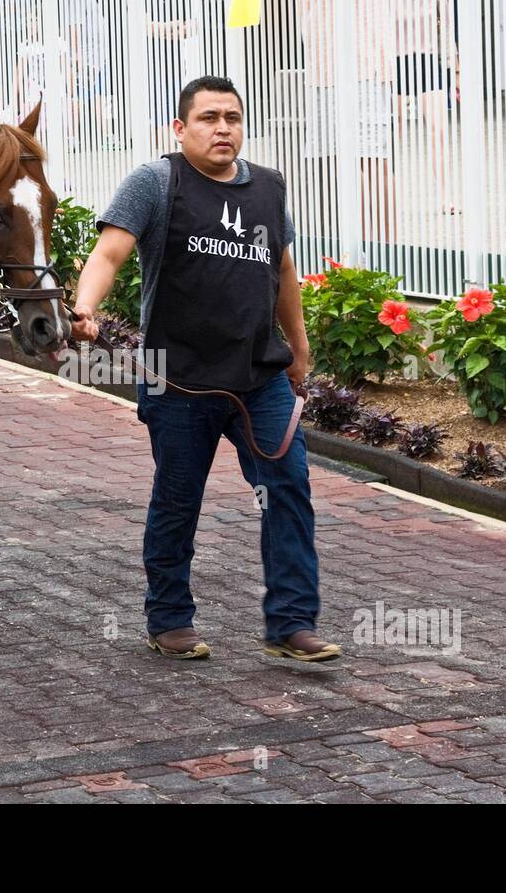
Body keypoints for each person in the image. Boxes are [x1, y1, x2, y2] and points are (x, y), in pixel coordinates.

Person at [68, 76, 341, 663]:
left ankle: (291, 624)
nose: (223, 128)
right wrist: (85, 307)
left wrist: (298, 346)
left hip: (259, 376)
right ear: (180, 127)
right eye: (209, 118)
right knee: (178, 497)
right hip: (179, 377)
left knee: (287, 488)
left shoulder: (267, 187)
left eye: (233, 118)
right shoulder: (157, 181)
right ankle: (169, 618)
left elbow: (284, 271)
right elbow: (109, 252)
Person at [230, 0, 397, 244]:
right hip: (324, 70)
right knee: (338, 162)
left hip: (365, 64)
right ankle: (355, 245)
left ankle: (387, 247)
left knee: (372, 160)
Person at [392, 0, 459, 214]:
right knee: (391, 135)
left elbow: (448, 33)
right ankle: (391, 195)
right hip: (396, 64)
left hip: (428, 62)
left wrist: (456, 70)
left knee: (439, 132)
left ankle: (446, 197)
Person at [140, 0, 197, 155]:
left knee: (173, 99)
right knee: (155, 104)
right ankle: (163, 151)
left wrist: (163, 28)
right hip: (149, 59)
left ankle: (170, 148)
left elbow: (191, 26)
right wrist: (173, 26)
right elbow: (144, 26)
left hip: (173, 58)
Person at [68, 0, 118, 148]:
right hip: (86, 56)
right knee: (80, 98)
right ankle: (73, 138)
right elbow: (74, 25)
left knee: (100, 95)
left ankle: (107, 135)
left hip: (96, 55)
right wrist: (77, 56)